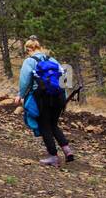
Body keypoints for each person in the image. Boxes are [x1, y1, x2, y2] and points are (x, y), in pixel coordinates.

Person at [19, 37, 76, 167]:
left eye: (26, 51)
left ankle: (53, 157)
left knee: (44, 125)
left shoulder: (29, 61)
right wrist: (64, 97)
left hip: (43, 97)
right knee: (54, 124)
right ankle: (67, 150)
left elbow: (24, 81)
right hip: (59, 95)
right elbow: (63, 79)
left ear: (29, 49)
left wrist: (21, 95)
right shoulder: (52, 59)